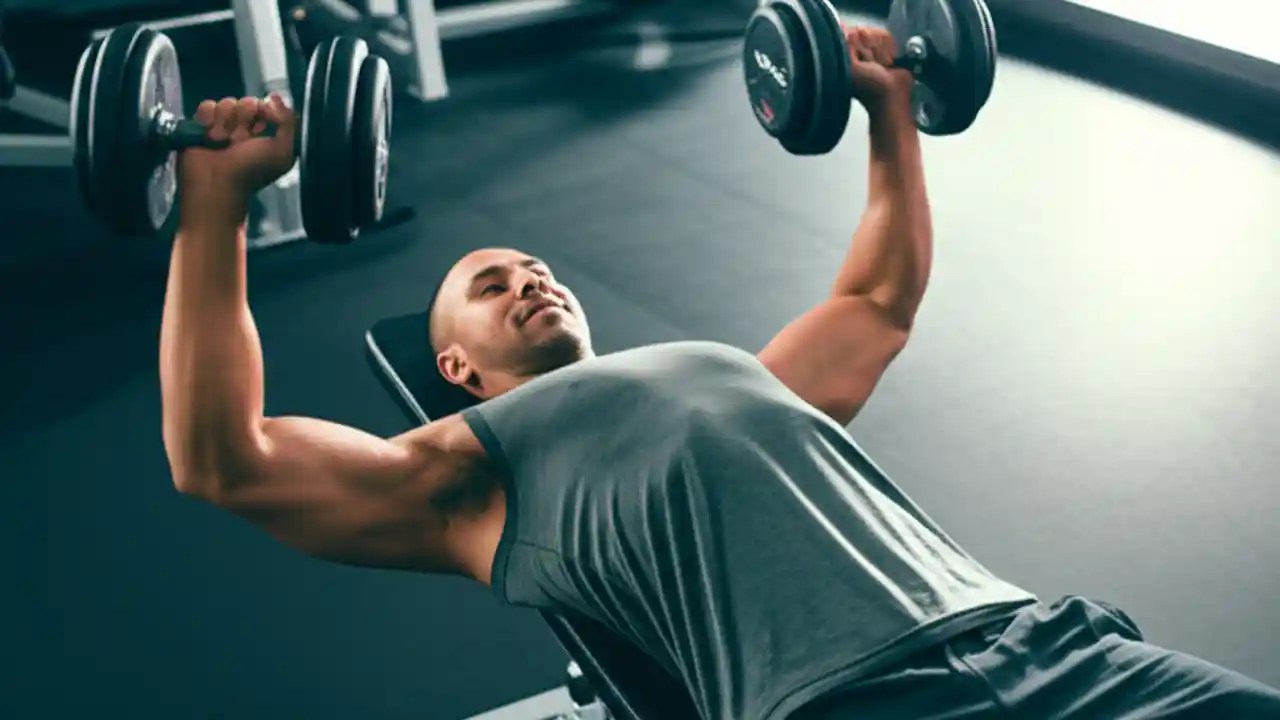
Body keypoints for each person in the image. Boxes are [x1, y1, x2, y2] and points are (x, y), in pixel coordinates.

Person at [161, 24, 1280, 720]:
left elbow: (873, 303)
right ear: (455, 364)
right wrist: (216, 206)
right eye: (492, 285)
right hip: (855, 706)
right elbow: (226, 460)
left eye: (537, 267)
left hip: (1053, 646)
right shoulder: (470, 473)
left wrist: (891, 114)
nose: (530, 281)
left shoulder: (728, 372)